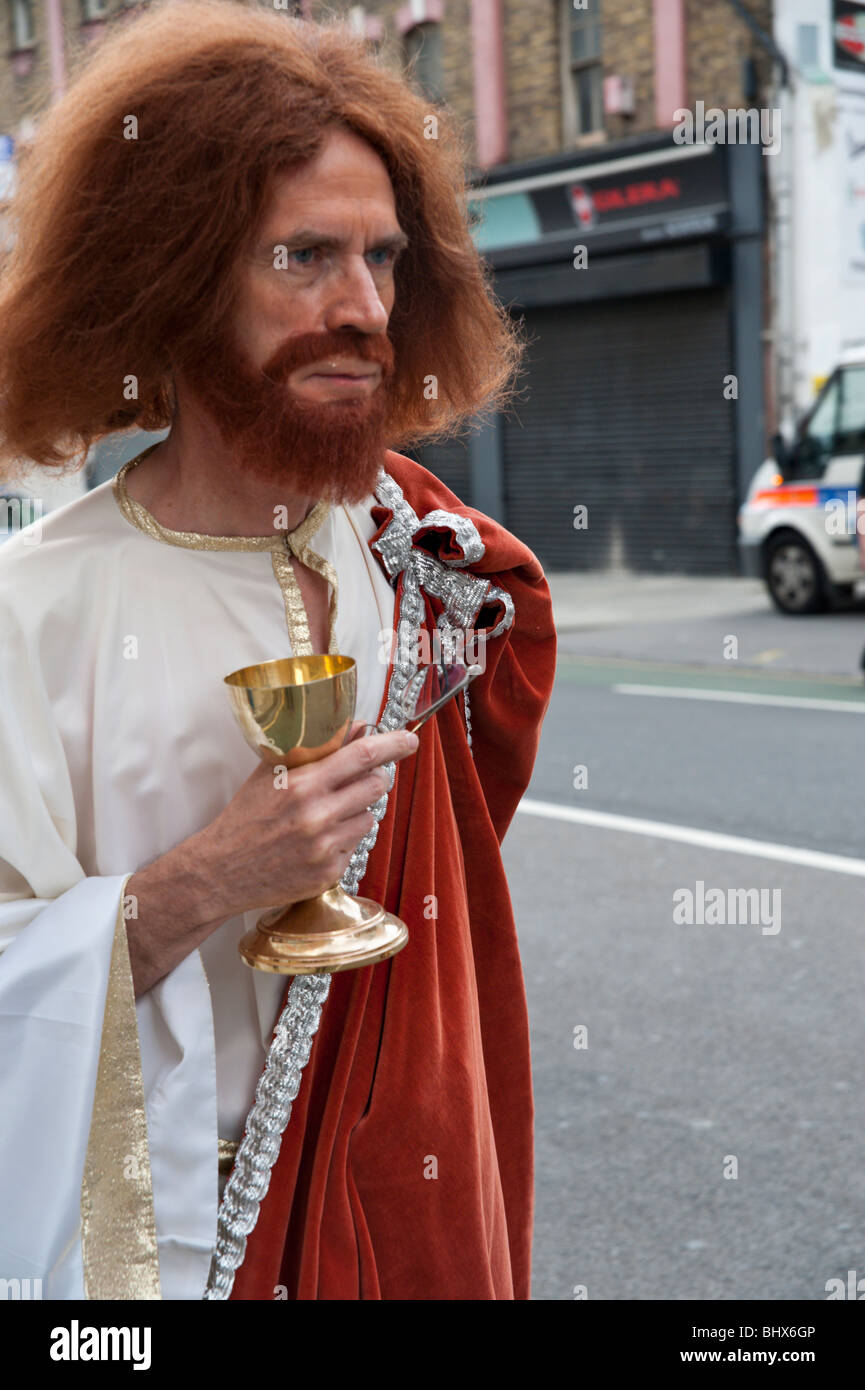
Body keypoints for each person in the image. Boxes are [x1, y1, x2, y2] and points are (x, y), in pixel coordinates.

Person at [0, 0, 556, 1300]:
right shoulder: (33, 614)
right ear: (173, 275)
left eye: (382, 258)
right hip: (161, 1261)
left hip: (400, 1227)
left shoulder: (426, 569)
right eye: (302, 257)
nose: (364, 307)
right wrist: (197, 882)